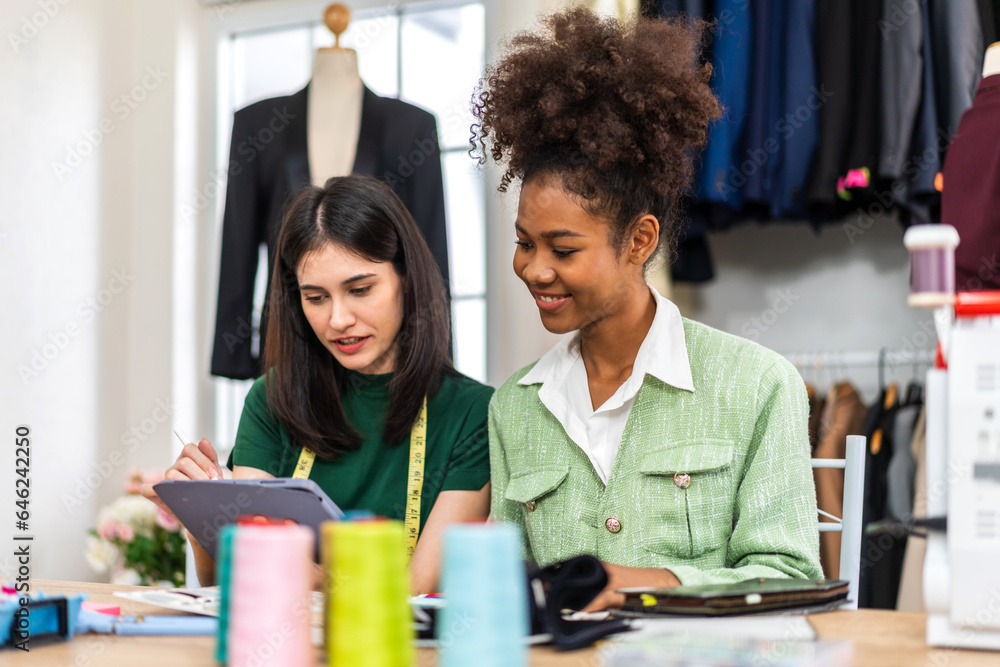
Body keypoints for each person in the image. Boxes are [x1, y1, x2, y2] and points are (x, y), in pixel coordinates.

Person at [474, 8, 823, 611]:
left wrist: (642, 583)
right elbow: (510, 591)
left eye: (563, 249)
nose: (534, 269)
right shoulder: (514, 408)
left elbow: (790, 577)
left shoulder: (758, 386)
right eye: (524, 243)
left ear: (638, 241)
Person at [143, 174, 492, 593]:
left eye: (360, 289)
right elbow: (228, 583)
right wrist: (203, 521)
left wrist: (292, 568)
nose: (338, 320)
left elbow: (414, 592)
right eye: (316, 297)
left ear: (407, 278)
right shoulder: (272, 399)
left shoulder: (473, 413)